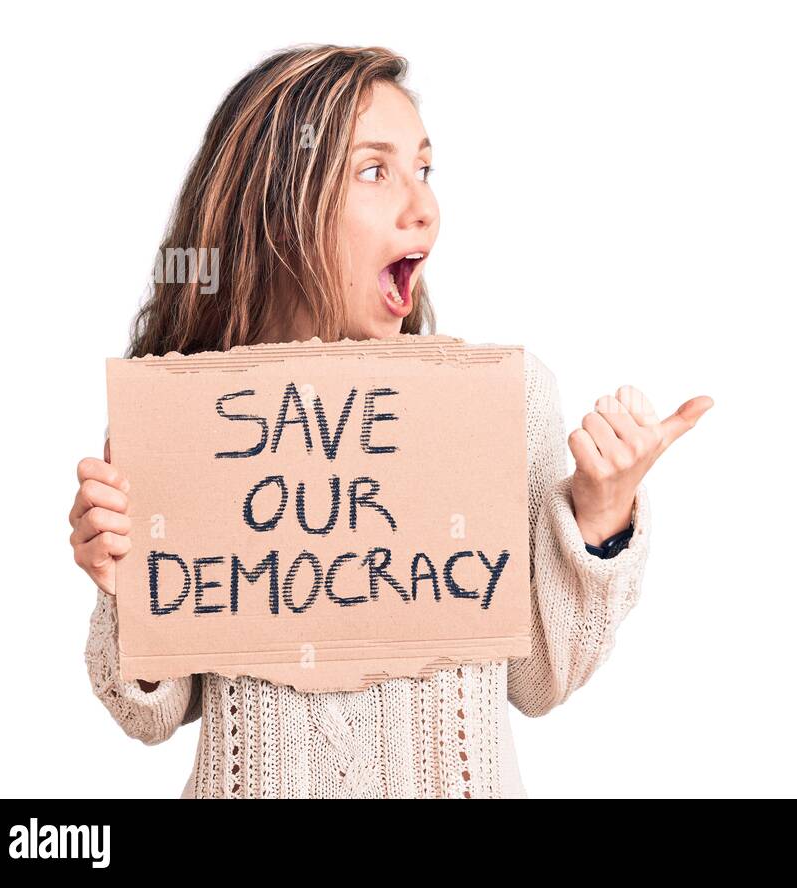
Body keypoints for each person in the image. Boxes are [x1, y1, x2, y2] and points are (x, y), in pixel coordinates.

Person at [68, 44, 712, 798]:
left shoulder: (501, 405)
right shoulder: (189, 420)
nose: (424, 207)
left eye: (425, 170)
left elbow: (541, 679)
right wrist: (124, 588)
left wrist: (600, 518)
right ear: (276, 204)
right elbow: (152, 713)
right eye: (376, 170)